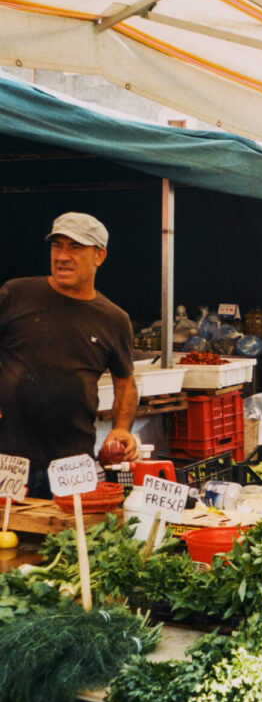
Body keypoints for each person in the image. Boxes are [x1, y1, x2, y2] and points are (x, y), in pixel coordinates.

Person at [0, 212, 138, 497]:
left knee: (68, 540)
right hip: (7, 461)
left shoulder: (114, 319)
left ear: (99, 256)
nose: (62, 256)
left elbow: (125, 382)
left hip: (72, 464)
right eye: (57, 245)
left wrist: (121, 428)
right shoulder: (16, 293)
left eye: (75, 247)